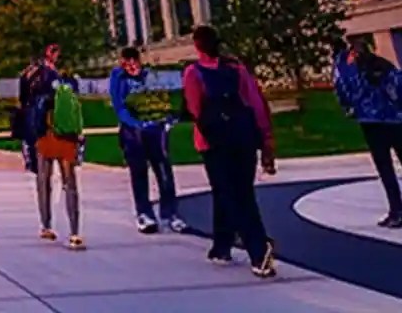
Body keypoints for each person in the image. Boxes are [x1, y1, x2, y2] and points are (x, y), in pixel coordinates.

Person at [183, 25, 277, 278]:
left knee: (232, 195)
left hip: (214, 143)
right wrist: (266, 140)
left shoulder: (194, 73)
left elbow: (195, 109)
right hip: (244, 138)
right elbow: (257, 104)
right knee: (236, 192)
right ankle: (221, 246)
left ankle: (259, 249)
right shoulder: (237, 70)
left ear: (197, 46)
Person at [334, 37, 402, 228]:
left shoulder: (351, 71)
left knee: (385, 167)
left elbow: (344, 91)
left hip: (372, 121)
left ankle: (397, 211)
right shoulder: (386, 66)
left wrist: (350, 109)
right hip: (399, 119)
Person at [110, 47, 186, 234]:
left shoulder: (149, 76)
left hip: (155, 130)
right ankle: (144, 214)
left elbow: (162, 98)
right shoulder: (120, 79)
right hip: (133, 133)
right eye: (127, 62)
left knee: (164, 172)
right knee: (139, 173)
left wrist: (165, 118)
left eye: (135, 61)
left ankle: (170, 213)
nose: (132, 66)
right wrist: (136, 124)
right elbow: (119, 106)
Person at [33, 44, 86, 251]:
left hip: (52, 132)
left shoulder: (41, 77)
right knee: (61, 181)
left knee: (51, 180)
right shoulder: (67, 80)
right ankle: (69, 231)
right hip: (56, 133)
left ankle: (58, 228)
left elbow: (30, 103)